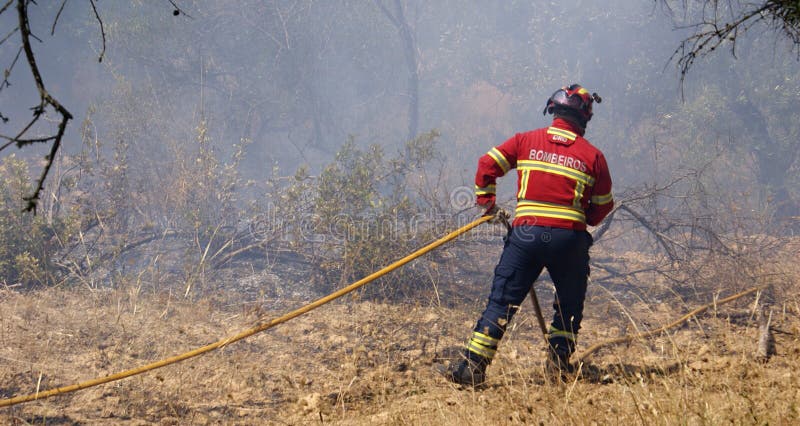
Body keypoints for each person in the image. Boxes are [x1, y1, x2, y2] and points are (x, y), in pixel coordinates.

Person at [446, 84, 614, 386]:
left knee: (502, 301)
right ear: (585, 117)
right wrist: (577, 219)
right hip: (569, 241)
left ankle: (472, 368)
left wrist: (487, 204)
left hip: (526, 236)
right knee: (569, 305)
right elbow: (603, 206)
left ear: (553, 110)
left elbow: (487, 165)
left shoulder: (526, 141)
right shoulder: (593, 156)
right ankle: (559, 367)